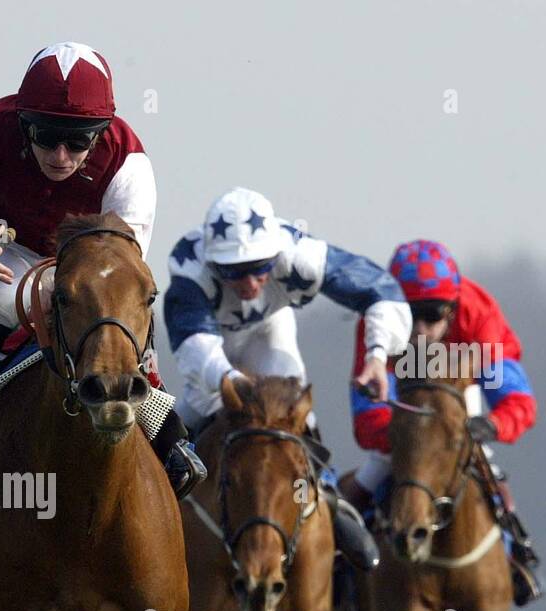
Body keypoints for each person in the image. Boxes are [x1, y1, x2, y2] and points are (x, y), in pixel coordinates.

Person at [0, 41, 203, 497]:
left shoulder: (128, 164)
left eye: (79, 141)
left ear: (102, 131)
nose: (61, 156)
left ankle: (171, 440)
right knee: (5, 301)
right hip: (15, 251)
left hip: (94, 265)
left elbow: (120, 266)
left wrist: (68, 289)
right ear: (21, 121)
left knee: (116, 309)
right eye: (45, 136)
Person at [164, 186, 411, 569]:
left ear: (275, 255)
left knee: (296, 417)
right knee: (174, 430)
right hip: (213, 348)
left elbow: (382, 291)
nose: (248, 284)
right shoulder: (188, 270)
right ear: (214, 263)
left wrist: (378, 356)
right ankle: (156, 504)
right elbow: (195, 346)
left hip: (270, 332)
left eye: (259, 268)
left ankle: (330, 500)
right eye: (233, 271)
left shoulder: (300, 256)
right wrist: (233, 380)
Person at [343, 239, 543, 605]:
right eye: (410, 314)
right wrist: (409, 439)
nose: (420, 330)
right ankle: (336, 557)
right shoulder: (377, 323)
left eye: (432, 314)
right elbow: (367, 416)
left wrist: (494, 425)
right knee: (376, 469)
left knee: (485, 464)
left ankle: (516, 553)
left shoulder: (477, 317)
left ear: (453, 309)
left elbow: (518, 401)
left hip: (459, 404)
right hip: (404, 414)